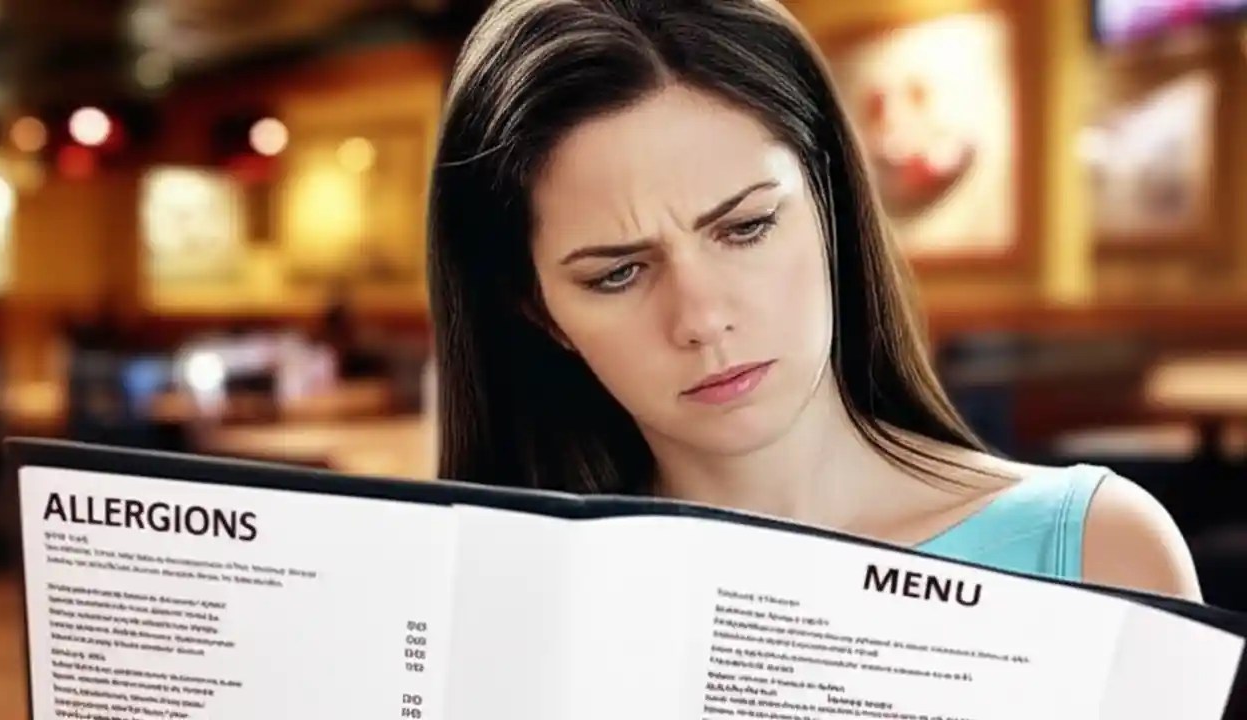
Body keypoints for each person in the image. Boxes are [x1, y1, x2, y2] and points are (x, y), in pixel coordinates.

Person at [424, 0, 1202, 601]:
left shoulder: (1098, 552)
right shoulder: (502, 600)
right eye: (618, 274)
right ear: (539, 311)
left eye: (746, 228)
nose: (702, 319)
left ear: (829, 204)